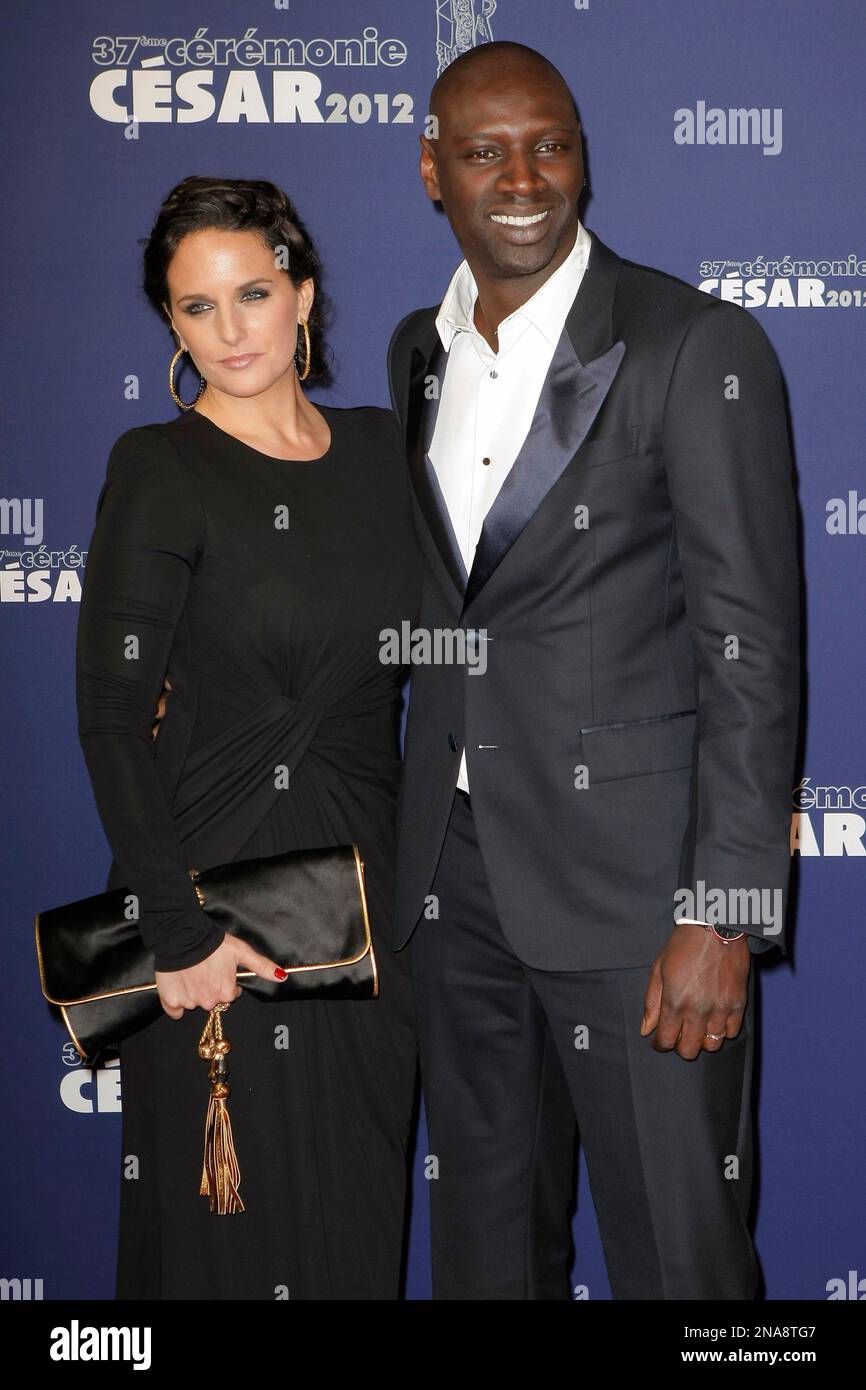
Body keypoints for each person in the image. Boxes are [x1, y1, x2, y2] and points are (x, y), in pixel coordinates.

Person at [386, 42, 800, 1299]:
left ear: (583, 157)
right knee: (486, 1256)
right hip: (454, 890)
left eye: (549, 144)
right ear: (430, 172)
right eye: (483, 151)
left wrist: (721, 910)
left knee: (684, 1264)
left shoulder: (691, 343)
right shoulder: (421, 348)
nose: (522, 178)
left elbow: (752, 649)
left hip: (640, 906)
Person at [76, 176, 421, 1299]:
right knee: (232, 1250)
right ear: (169, 325)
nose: (230, 331)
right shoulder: (160, 469)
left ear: (304, 294)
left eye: (254, 293)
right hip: (222, 922)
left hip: (369, 918)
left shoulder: (381, 453)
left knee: (352, 1239)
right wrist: (174, 936)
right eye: (195, 308)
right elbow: (114, 717)